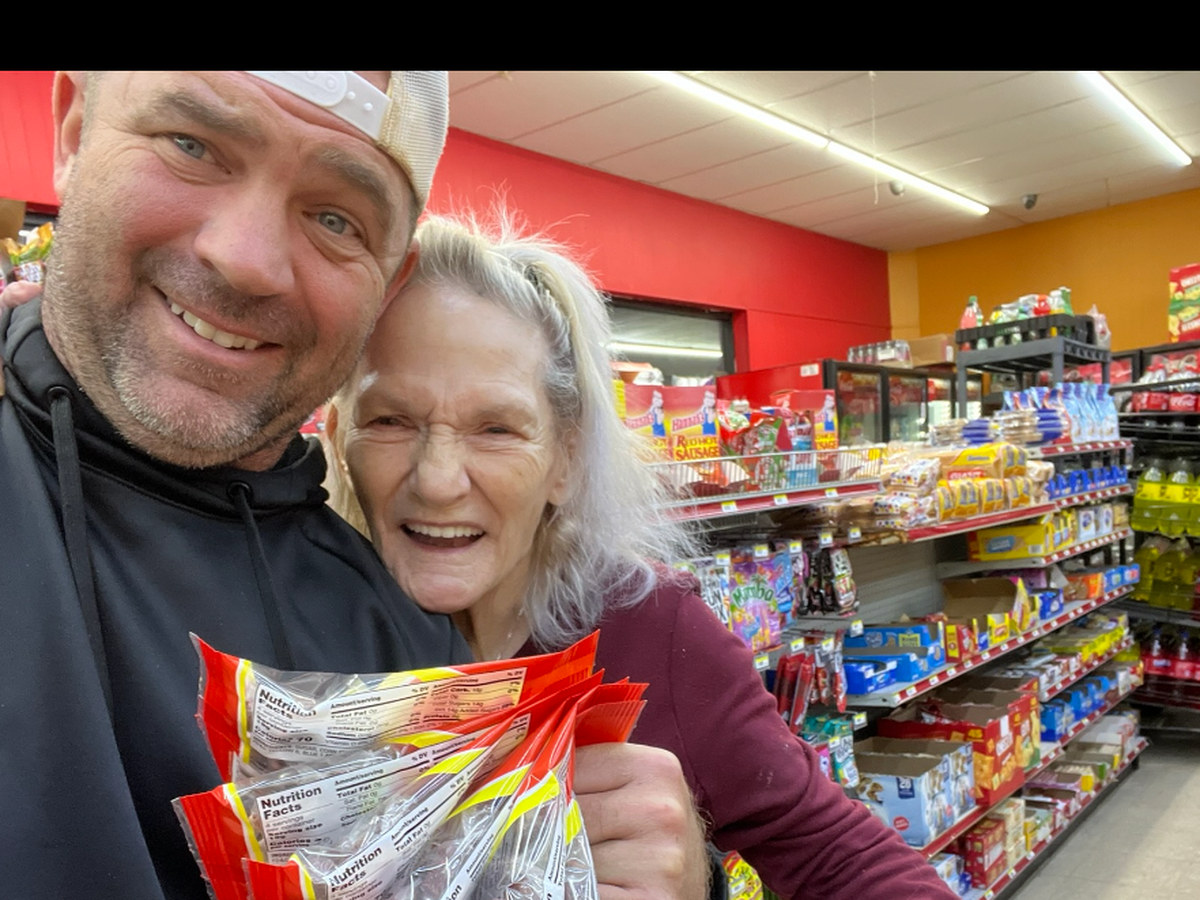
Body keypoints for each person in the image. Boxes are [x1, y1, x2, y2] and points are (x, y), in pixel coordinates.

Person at [0, 71, 706, 900]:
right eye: (191, 145)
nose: (246, 259)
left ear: (388, 283)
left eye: (336, 218)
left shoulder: (411, 654)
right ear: (74, 129)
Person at [323, 213, 960, 900]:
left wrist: (698, 887)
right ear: (336, 437)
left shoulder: (652, 631)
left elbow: (840, 855)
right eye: (390, 420)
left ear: (566, 459)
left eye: (497, 428)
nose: (438, 479)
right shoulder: (286, 633)